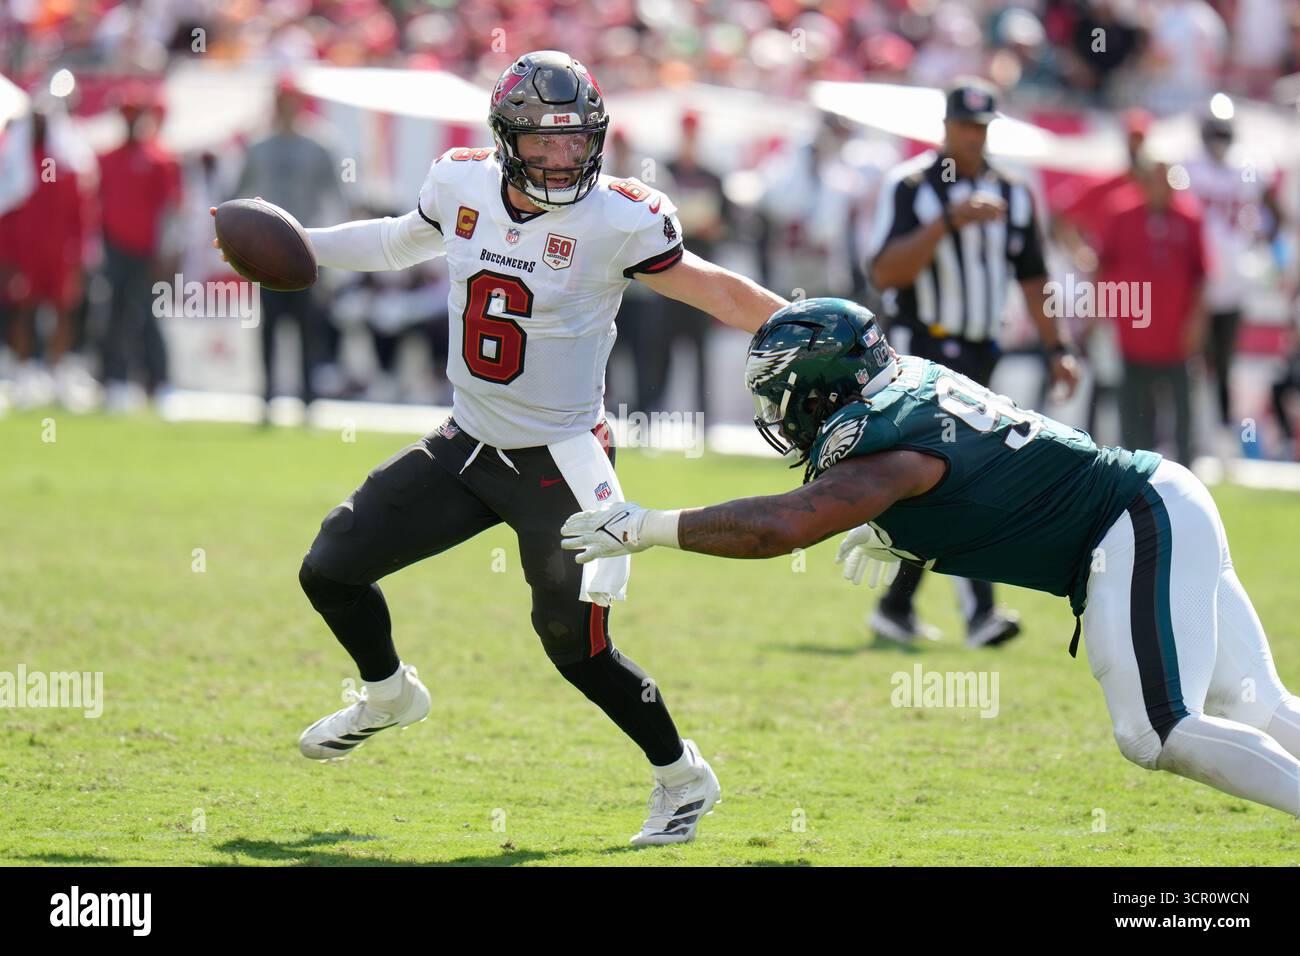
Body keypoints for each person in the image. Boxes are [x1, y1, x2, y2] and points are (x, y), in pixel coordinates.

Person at [215, 51, 788, 845]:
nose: (563, 156)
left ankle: (684, 777)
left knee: (576, 649)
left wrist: (814, 329)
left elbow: (715, 288)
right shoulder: (460, 182)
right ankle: (387, 695)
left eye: (576, 139)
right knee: (331, 566)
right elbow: (391, 243)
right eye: (544, 140)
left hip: (561, 461)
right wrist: (298, 241)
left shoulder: (621, 216)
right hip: (470, 443)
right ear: (505, 138)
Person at [563, 298, 1300, 820]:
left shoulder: (882, 440)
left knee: (1156, 730)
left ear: (821, 386)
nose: (776, 411)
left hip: (1131, 526)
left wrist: (650, 526)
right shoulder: (904, 380)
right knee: (1255, 704)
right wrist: (898, 528)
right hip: (1161, 498)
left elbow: (783, 528)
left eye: (781, 391)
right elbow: (972, 473)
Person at [864, 78, 1079, 648]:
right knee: (965, 471)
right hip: (923, 349)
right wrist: (949, 223)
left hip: (982, 351)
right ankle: (980, 613)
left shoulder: (1016, 192)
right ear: (946, 126)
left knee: (940, 480)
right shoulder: (911, 186)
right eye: (965, 125)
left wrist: (1057, 348)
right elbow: (886, 273)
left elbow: (1034, 277)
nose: (973, 137)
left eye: (983, 128)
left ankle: (896, 605)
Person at [232, 78, 346, 413]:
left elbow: (336, 197)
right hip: (266, 248)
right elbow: (238, 191)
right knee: (269, 325)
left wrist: (335, 245)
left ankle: (308, 397)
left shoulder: (320, 144)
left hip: (305, 245)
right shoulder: (258, 146)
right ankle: (267, 395)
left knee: (307, 325)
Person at [1091, 151, 1208, 466]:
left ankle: (1186, 471)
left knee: (1182, 412)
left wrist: (1196, 322)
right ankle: (1136, 472)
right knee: (1133, 412)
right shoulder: (1121, 212)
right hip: (1134, 334)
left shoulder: (1189, 217)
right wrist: (1099, 314)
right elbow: (1103, 266)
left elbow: (1201, 275)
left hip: (1175, 337)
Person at [98, 87, 181, 410]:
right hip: (115, 249)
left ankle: (159, 381)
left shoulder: (160, 159)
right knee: (113, 315)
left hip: (149, 252)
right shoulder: (107, 158)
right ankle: (114, 380)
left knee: (150, 315)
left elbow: (171, 211)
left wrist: (167, 251)